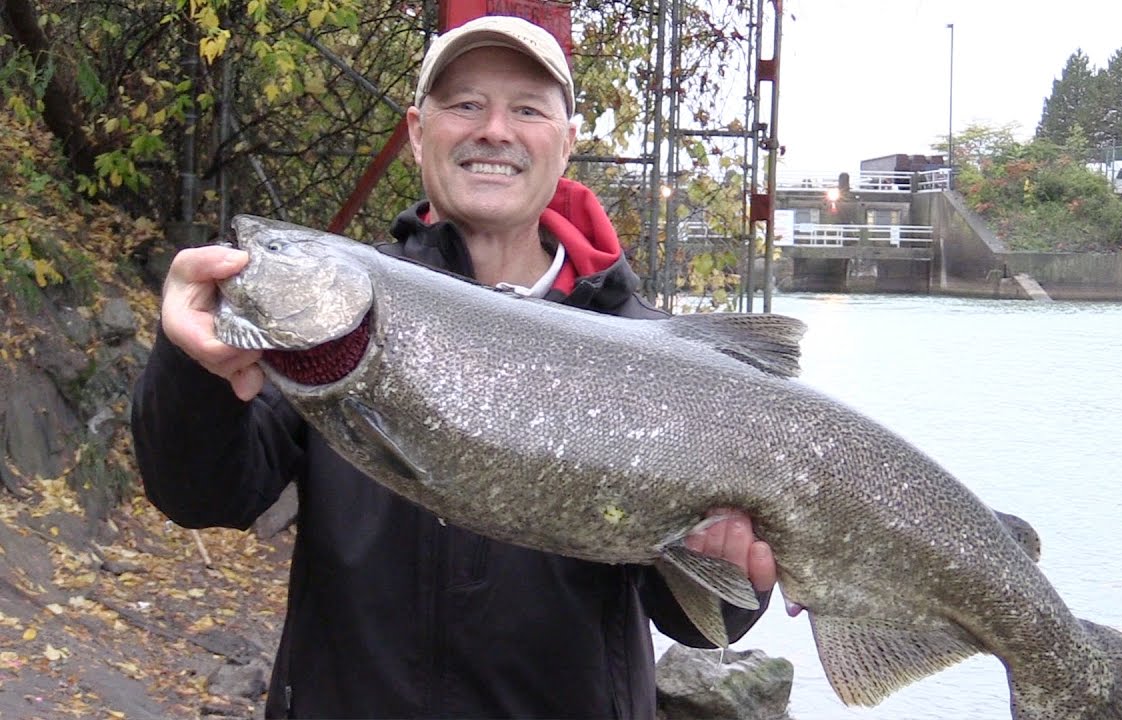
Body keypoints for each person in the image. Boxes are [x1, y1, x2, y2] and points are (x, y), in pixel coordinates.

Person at [131, 15, 777, 719]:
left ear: (566, 143)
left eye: (527, 110)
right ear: (416, 132)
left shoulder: (658, 352)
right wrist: (194, 367)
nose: (494, 129)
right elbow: (202, 496)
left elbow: (695, 621)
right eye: (466, 104)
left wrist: (727, 568)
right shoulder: (336, 321)